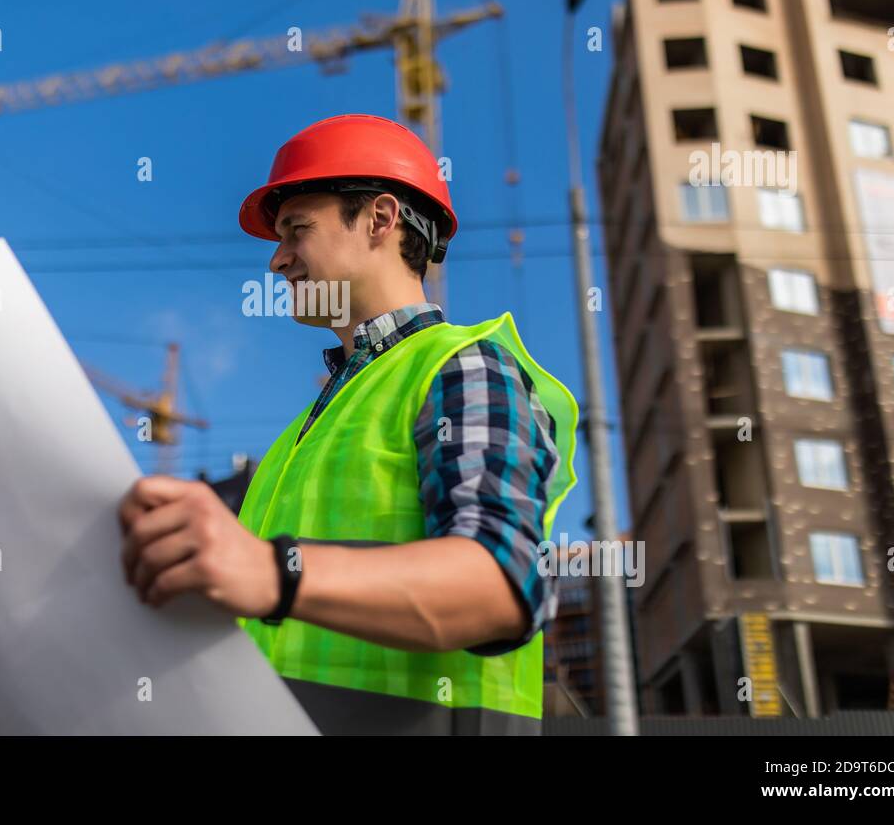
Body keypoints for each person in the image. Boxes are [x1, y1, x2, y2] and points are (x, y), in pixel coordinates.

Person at [119, 113, 577, 734]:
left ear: (381, 221)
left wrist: (270, 571)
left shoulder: (463, 367)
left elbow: (503, 584)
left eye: (296, 230)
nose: (277, 262)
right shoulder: (305, 431)